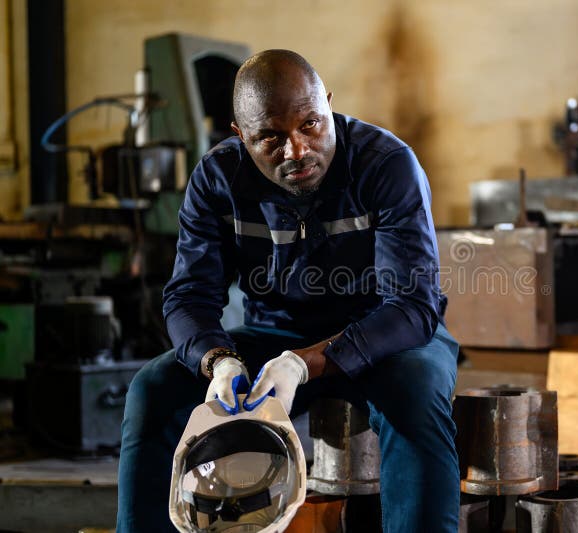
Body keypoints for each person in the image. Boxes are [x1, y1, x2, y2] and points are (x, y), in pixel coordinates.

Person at [116, 49, 460, 532]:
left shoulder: (387, 164)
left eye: (311, 125)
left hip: (388, 338)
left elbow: (413, 306)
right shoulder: (218, 178)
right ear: (240, 136)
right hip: (273, 338)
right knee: (153, 389)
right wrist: (219, 361)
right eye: (270, 138)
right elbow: (188, 297)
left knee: (416, 392)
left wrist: (305, 362)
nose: (296, 150)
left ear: (328, 104)